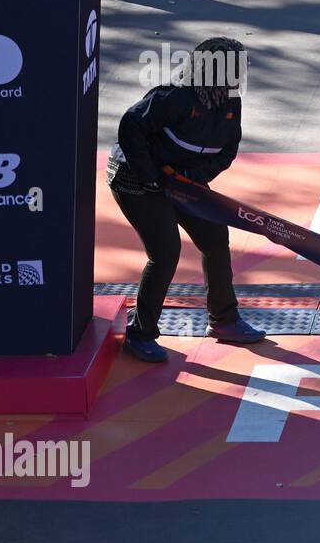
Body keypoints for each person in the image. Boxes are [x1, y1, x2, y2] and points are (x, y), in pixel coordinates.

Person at [106, 37, 266, 362]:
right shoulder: (175, 96)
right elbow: (130, 127)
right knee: (165, 253)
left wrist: (193, 179)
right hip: (135, 178)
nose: (244, 72)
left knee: (215, 237)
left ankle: (224, 320)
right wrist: (151, 175)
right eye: (238, 66)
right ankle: (140, 334)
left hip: (179, 179)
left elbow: (226, 152)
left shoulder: (229, 103)